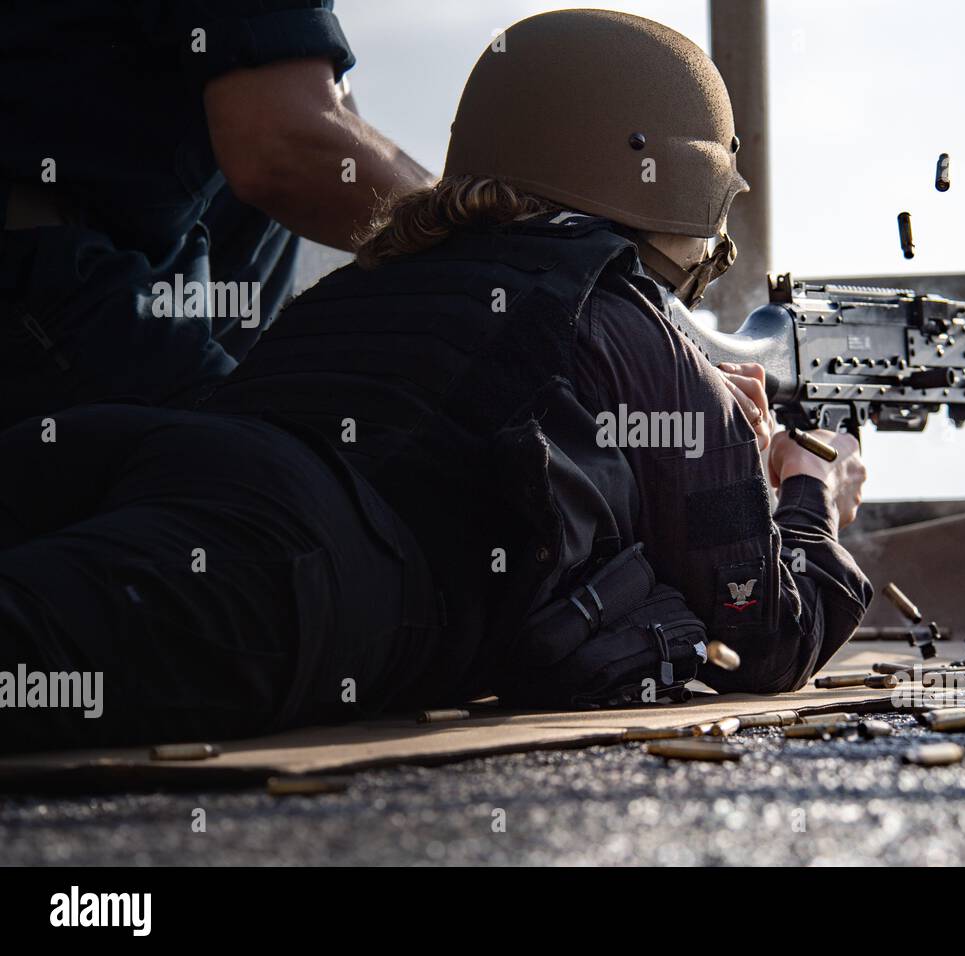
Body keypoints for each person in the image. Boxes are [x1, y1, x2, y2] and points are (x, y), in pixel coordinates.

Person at [0, 10, 870, 753]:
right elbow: (768, 639)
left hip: (136, 452)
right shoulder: (624, 314)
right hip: (283, 564)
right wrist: (808, 489)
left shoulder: (366, 279)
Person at [0, 1, 433, 429]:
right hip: (42, 268)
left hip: (132, 254)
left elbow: (324, 123)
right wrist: (482, 229)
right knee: (275, 470)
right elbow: (284, 148)